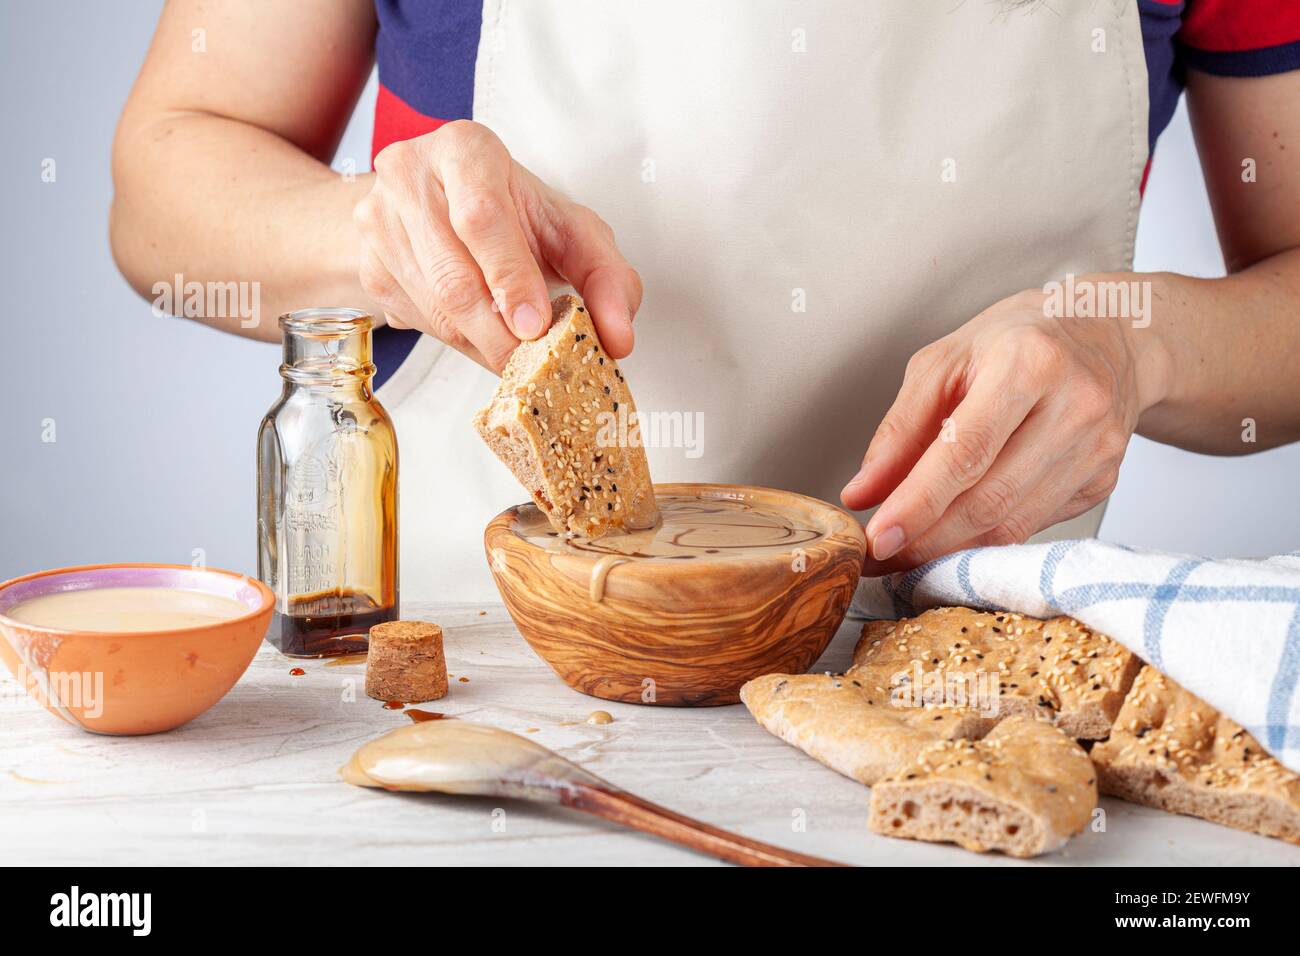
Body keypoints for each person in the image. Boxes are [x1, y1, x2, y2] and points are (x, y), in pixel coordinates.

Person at [110, 1, 1300, 602]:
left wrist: (1136, 344)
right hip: (483, 666)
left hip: (962, 687)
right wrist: (369, 231)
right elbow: (162, 186)